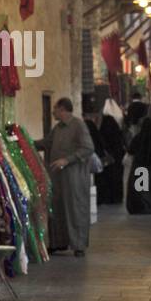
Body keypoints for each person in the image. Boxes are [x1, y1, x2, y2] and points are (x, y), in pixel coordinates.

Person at [40, 97, 94, 256]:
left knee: (75, 209)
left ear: (62, 109)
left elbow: (88, 148)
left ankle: (78, 245)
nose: (53, 111)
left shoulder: (78, 126)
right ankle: (59, 242)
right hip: (58, 178)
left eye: (55, 108)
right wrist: (21, 140)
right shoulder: (58, 128)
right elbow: (46, 143)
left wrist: (68, 160)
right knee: (57, 209)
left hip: (74, 178)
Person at [126, 116, 151, 216]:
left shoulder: (138, 138)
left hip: (139, 167)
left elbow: (130, 150)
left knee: (140, 189)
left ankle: (140, 208)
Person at [96, 113, 126, 205]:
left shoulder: (102, 133)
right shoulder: (117, 134)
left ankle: (106, 197)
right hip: (116, 159)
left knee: (106, 178)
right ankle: (116, 198)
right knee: (116, 178)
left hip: (106, 160)